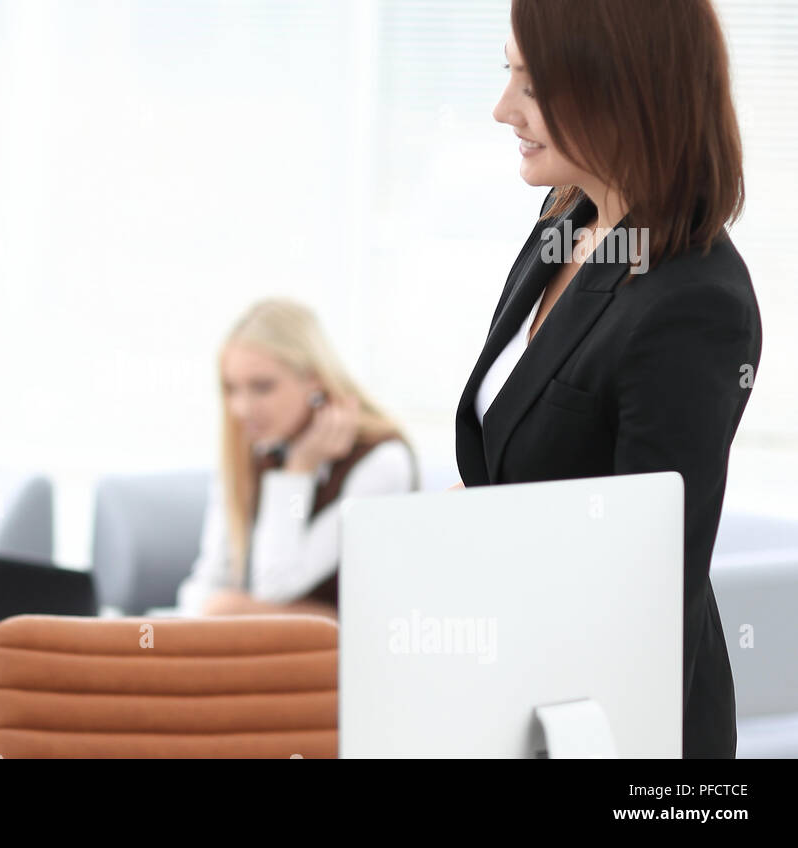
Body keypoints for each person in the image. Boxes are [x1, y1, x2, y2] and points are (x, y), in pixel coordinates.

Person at [456, 0, 761, 758]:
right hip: (511, 672)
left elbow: (645, 585)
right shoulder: (570, 222)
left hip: (606, 722)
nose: (502, 111)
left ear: (618, 86)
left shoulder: (695, 304)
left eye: (531, 87)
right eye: (509, 76)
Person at [177, 298, 418, 618]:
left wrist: (298, 472)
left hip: (352, 643)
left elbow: (275, 585)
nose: (242, 409)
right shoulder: (255, 447)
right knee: (218, 608)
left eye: (262, 387)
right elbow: (211, 577)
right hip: (272, 635)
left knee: (227, 608)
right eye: (231, 389)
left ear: (314, 378)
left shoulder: (381, 461)